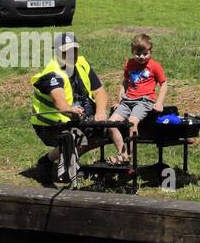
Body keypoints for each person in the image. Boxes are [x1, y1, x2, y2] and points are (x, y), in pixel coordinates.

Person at [30, 32, 111, 182]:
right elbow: (58, 99)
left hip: (75, 118)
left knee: (106, 130)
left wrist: (100, 113)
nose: (71, 54)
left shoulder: (81, 63)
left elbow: (100, 92)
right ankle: (47, 162)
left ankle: (68, 161)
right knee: (77, 136)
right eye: (66, 51)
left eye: (74, 49)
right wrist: (70, 110)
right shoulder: (52, 72)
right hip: (49, 124)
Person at [107, 33, 168, 164]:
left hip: (144, 101)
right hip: (128, 100)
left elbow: (164, 84)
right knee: (110, 124)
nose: (141, 57)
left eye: (145, 54)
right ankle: (122, 153)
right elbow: (124, 82)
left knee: (132, 122)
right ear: (132, 52)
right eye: (137, 53)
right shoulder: (129, 64)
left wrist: (159, 102)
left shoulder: (155, 66)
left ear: (150, 51)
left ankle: (128, 155)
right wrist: (120, 100)